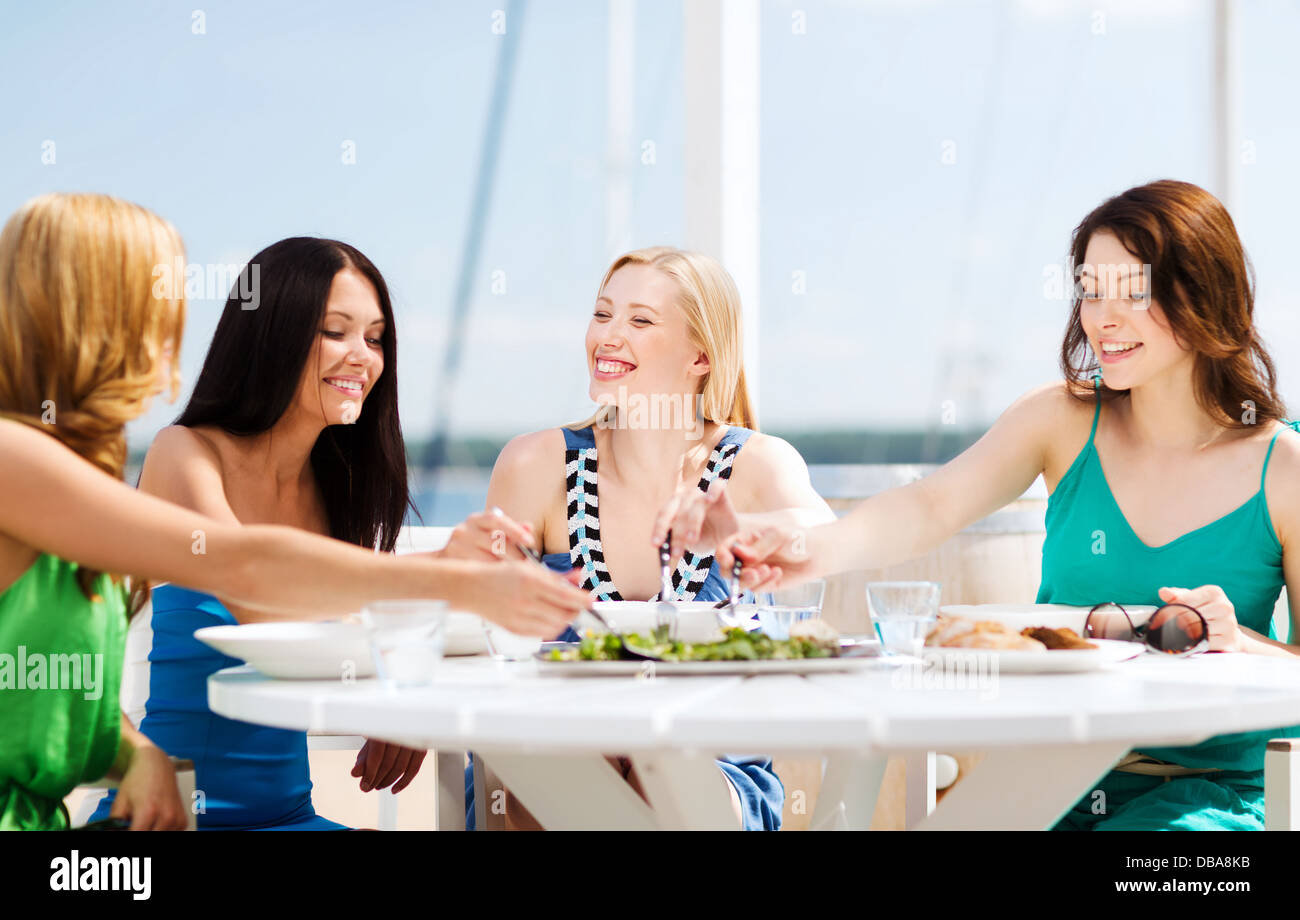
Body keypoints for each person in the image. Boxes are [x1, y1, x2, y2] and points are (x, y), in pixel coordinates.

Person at [715, 179, 1300, 830]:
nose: (1101, 319)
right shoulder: (1060, 419)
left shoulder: (1284, 470)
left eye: (1131, 292)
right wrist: (804, 551)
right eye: (1090, 290)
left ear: (1203, 294)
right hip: (1045, 782)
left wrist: (1240, 641)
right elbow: (930, 508)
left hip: (1208, 801)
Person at [0, 194, 591, 830]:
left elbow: (68, 687)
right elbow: (249, 576)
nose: (168, 335)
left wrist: (138, 754)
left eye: (374, 337)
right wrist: (452, 575)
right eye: (154, 308)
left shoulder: (331, 483)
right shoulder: (33, 458)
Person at [480, 246, 835, 830]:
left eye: (640, 321)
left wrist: (742, 529)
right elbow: (481, 618)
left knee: (658, 767)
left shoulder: (756, 465)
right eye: (602, 315)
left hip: (711, 773)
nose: (609, 336)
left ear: (701, 354)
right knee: (578, 758)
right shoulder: (533, 464)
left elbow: (824, 535)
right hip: (546, 760)